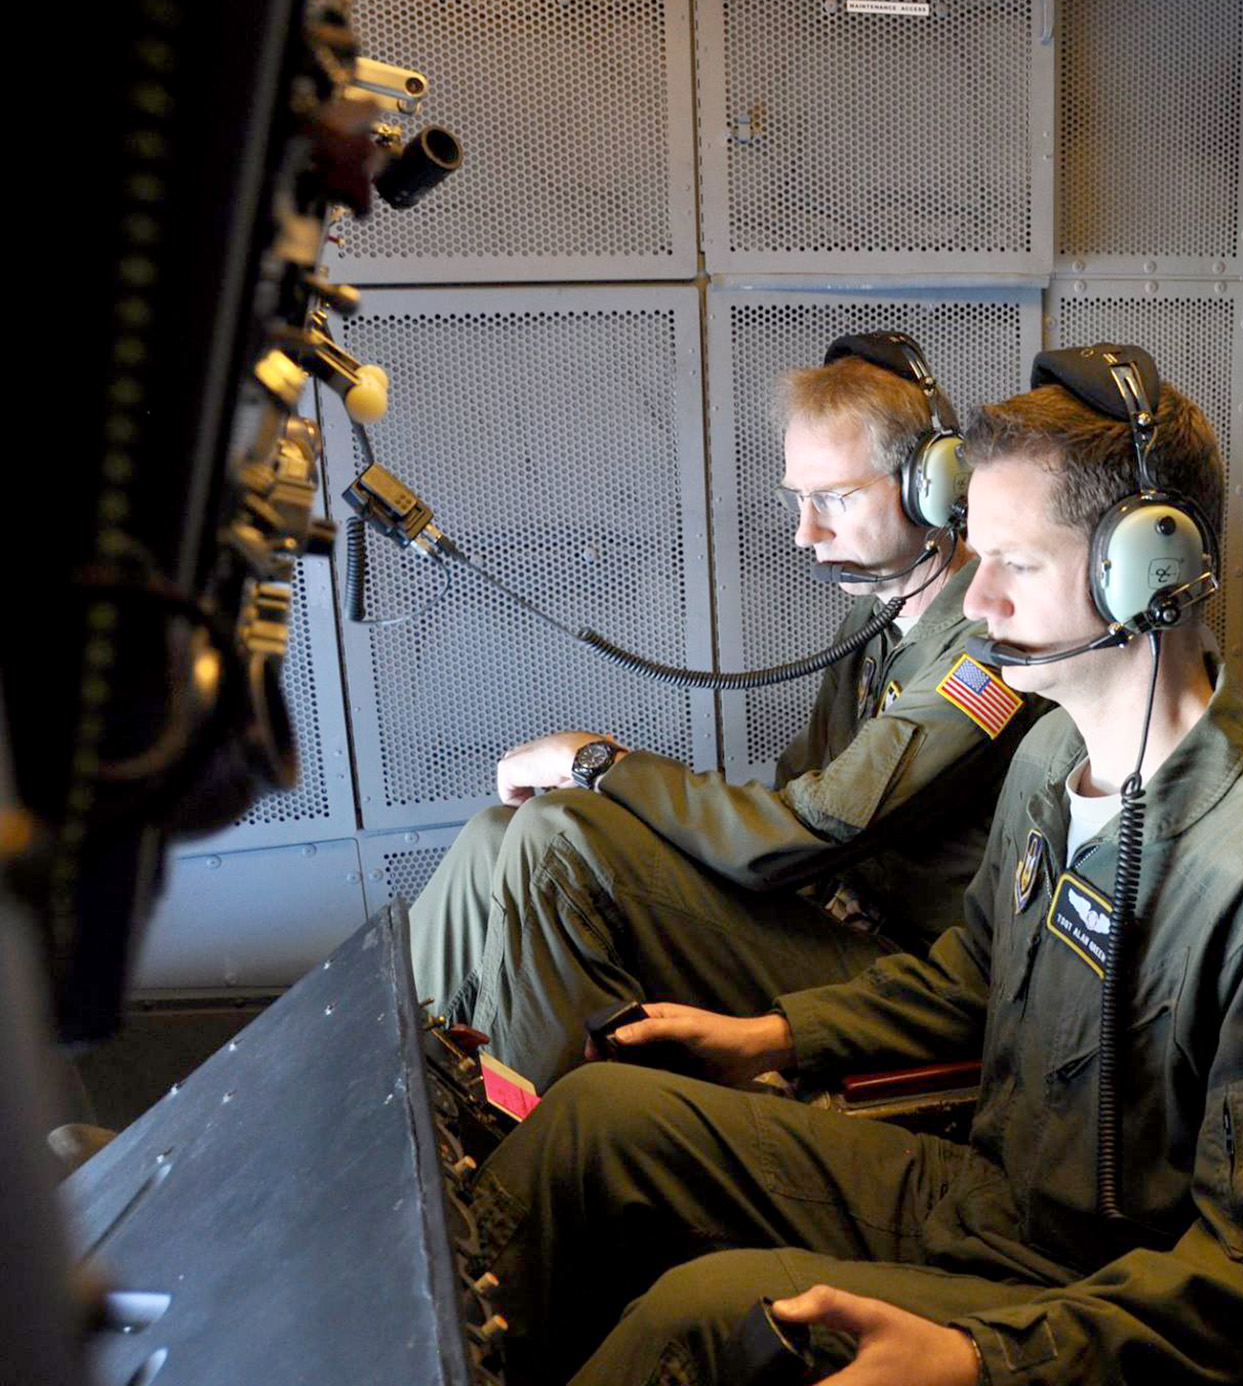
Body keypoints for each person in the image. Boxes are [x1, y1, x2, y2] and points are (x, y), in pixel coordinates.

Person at [469, 348, 1243, 1385]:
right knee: (600, 1116)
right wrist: (775, 1033)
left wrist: (975, 1356)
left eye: (1019, 564)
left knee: (702, 1312)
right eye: (980, 555)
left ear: (1149, 574)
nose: (982, 601)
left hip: (1090, 1292)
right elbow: (971, 974)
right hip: (987, 1195)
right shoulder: (1053, 751)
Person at [408, 337, 1044, 1088]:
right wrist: (608, 798)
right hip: (823, 921)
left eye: (833, 498)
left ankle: (513, 1145)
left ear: (933, 488)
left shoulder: (991, 654)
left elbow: (806, 829)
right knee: (498, 836)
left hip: (901, 974)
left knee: (554, 839)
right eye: (796, 499)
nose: (806, 532)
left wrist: (599, 767)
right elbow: (780, 801)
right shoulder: (873, 628)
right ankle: (399, 1084)